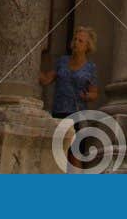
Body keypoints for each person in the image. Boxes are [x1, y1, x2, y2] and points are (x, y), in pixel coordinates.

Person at [39, 26, 99, 162]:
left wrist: (88, 96)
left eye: (80, 41)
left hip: (77, 115)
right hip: (59, 113)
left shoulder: (91, 68)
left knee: (74, 156)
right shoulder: (62, 61)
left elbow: (95, 93)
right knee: (58, 155)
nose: (76, 43)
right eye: (75, 39)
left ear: (87, 47)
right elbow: (47, 79)